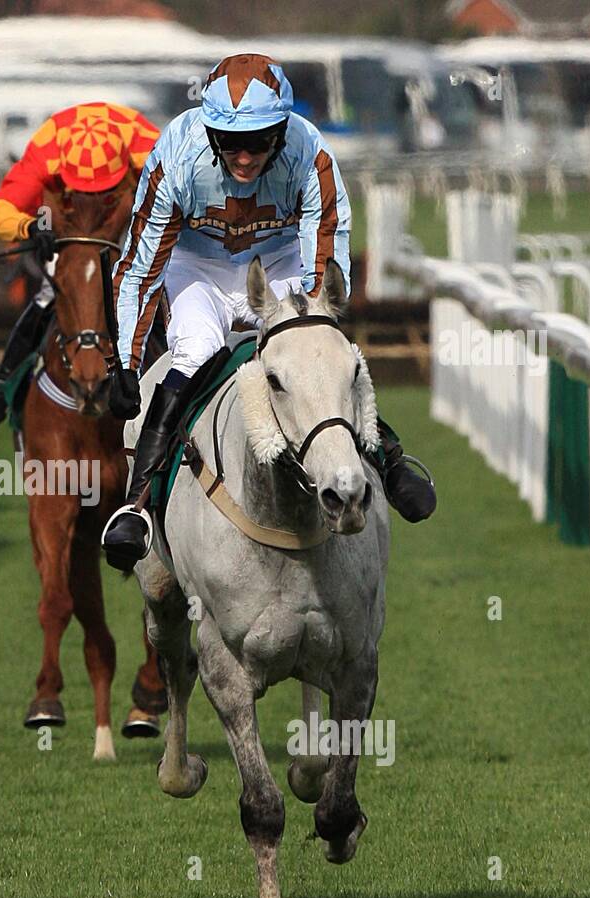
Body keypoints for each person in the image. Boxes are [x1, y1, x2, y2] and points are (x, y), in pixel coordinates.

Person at [100, 54, 436, 572]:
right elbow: (141, 266)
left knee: (308, 352)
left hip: (278, 260)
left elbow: (327, 246)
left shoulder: (310, 153)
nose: (243, 156)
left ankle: (388, 459)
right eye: (229, 140)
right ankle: (137, 505)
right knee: (196, 350)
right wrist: (125, 361)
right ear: (208, 131)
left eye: (258, 140)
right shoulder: (176, 154)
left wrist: (313, 318)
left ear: (281, 129)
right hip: (198, 268)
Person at [0, 102, 160, 426]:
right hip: (70, 234)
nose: (92, 195)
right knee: (50, 291)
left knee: (161, 288)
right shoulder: (47, 150)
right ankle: (3, 382)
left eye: (103, 189)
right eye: (83, 189)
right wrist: (29, 227)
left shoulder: (149, 147)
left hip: (128, 228)